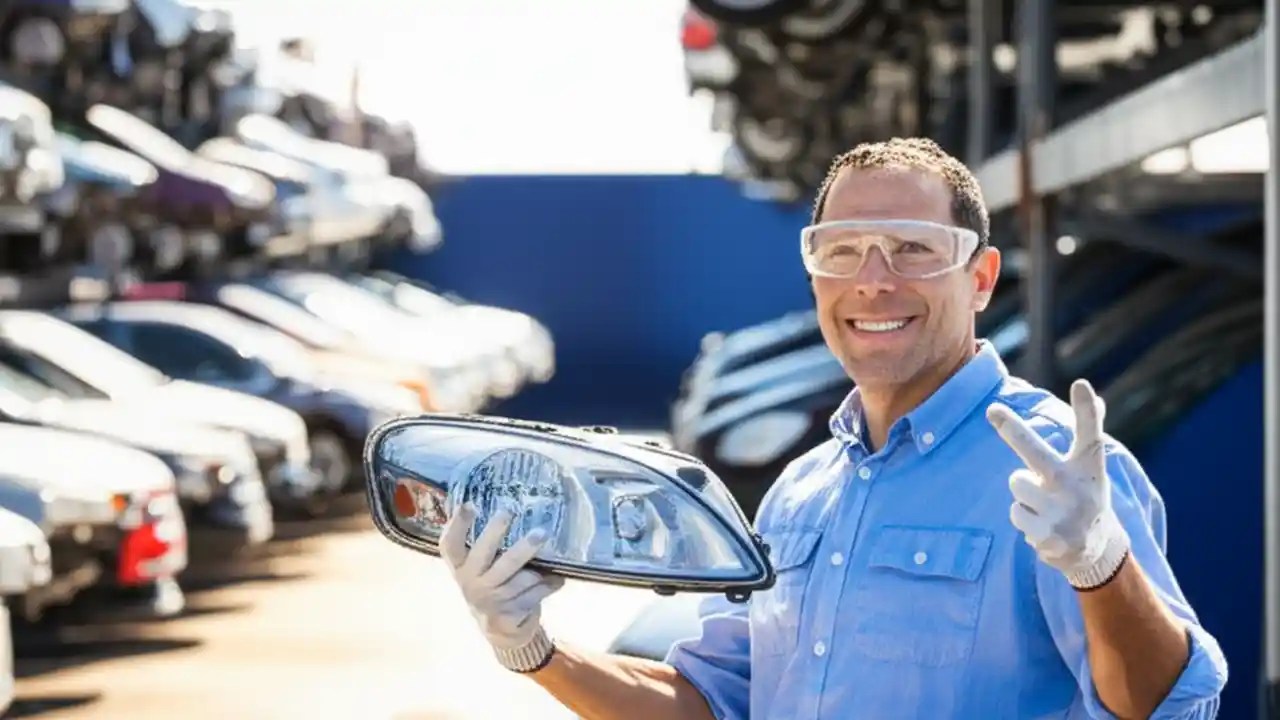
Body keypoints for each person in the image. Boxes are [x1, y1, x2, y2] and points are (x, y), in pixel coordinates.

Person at [437, 137, 1229, 719]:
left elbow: (1170, 707)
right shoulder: (799, 492)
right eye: (841, 250)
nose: (873, 281)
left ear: (981, 277)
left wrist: (1101, 566)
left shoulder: (1059, 474)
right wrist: (532, 648)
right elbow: (710, 705)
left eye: (915, 250)